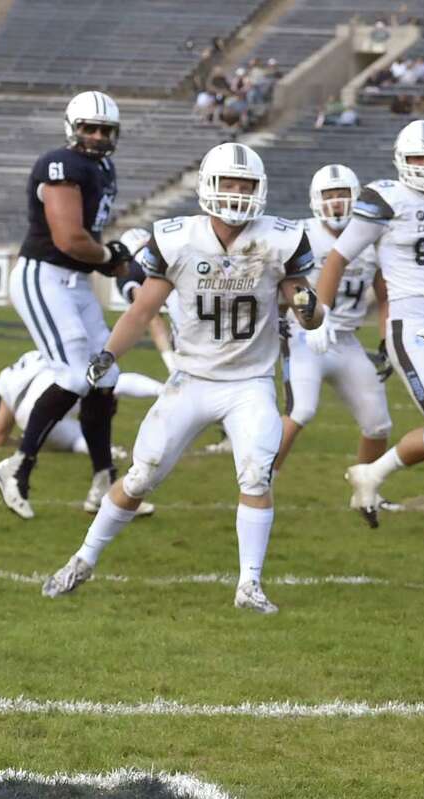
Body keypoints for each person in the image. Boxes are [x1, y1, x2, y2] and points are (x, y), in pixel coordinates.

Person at [42, 142, 319, 613]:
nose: (236, 193)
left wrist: (310, 308)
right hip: (191, 379)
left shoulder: (281, 239)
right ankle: (82, 559)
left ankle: (249, 585)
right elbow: (143, 308)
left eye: (245, 184)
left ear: (260, 189)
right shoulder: (176, 238)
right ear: (209, 187)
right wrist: (108, 354)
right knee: (140, 477)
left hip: (249, 382)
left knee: (255, 475)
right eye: (228, 183)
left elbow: (308, 311)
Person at [315, 120, 424, 527]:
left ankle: (371, 473)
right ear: (401, 160)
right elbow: (337, 256)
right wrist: (319, 313)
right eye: (418, 158)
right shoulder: (384, 199)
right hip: (410, 325)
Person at [0, 91, 133, 519]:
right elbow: (69, 239)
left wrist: (110, 261)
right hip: (43, 275)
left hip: (73, 282)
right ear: (72, 128)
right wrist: (111, 258)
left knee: (106, 376)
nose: (98, 136)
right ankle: (16, 467)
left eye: (105, 129)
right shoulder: (61, 165)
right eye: (90, 127)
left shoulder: (102, 167)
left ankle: (103, 479)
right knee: (75, 375)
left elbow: (85, 244)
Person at [275, 165, 392, 477]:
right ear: (315, 200)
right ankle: (260, 482)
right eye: (330, 195)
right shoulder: (300, 235)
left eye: (343, 194)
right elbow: (278, 283)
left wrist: (385, 339)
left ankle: (365, 489)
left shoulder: (370, 237)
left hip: (346, 340)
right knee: (301, 410)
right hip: (304, 336)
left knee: (378, 423)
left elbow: (385, 295)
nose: (337, 202)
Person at [0, 350, 163, 488]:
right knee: (115, 382)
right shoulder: (33, 357)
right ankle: (163, 390)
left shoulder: (5, 382)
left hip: (40, 400)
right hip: (64, 383)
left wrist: (25, 442)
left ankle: (110, 450)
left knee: (74, 439)